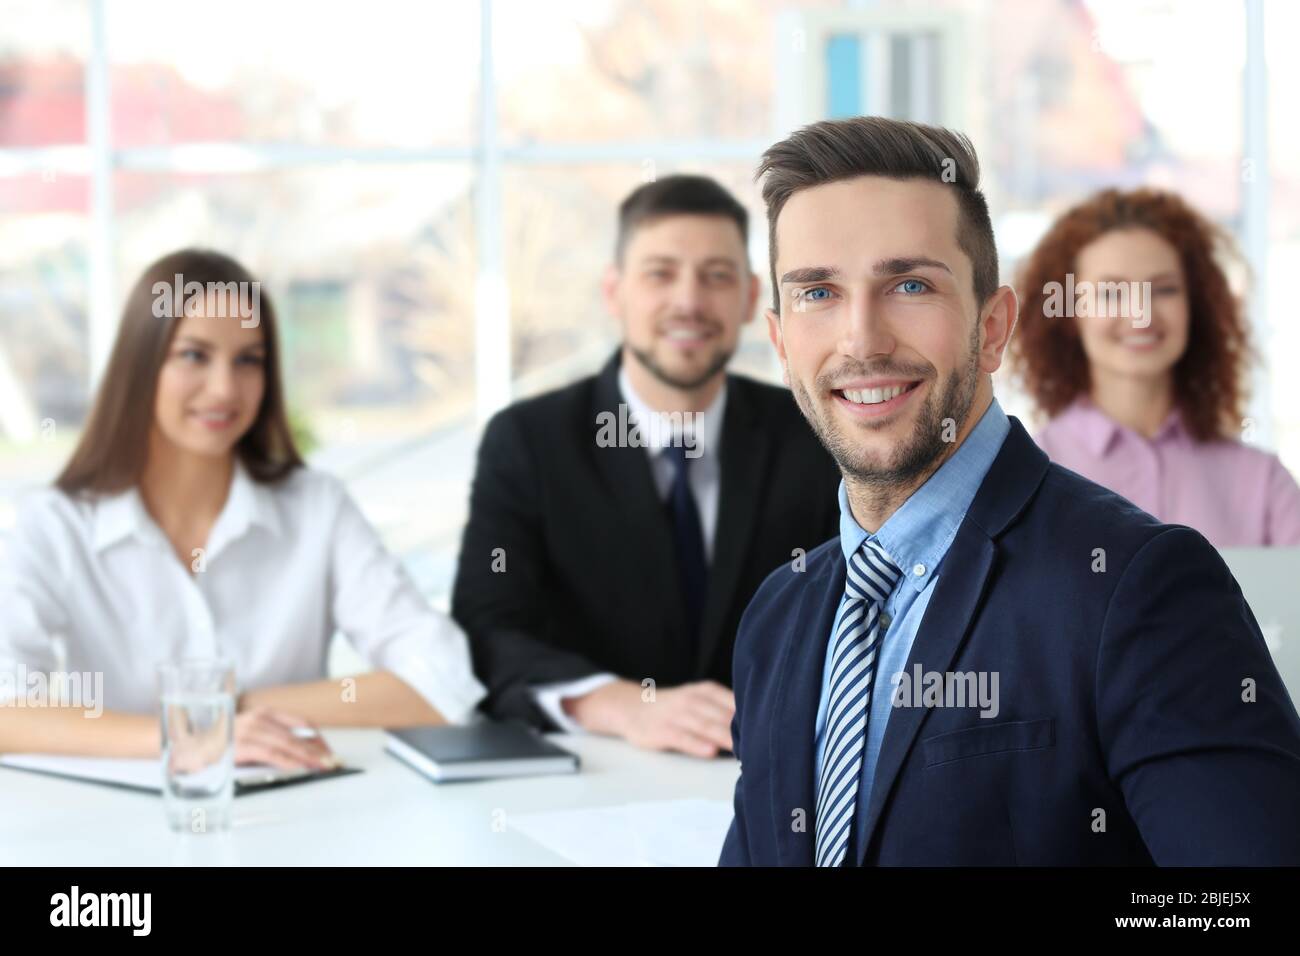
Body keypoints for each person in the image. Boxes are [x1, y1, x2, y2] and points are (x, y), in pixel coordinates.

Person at [719, 117, 1300, 866]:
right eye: (818, 292)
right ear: (779, 340)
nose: (861, 340)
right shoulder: (777, 616)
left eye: (910, 285)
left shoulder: (1140, 587)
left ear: (992, 328)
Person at [0, 250, 485, 768]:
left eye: (248, 360)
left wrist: (229, 709)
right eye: (194, 355)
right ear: (141, 363)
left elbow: (443, 678)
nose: (225, 389)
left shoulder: (316, 508)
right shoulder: (56, 524)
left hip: (294, 805)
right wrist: (180, 737)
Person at [452, 174, 839, 757]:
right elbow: (486, 629)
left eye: (716, 276)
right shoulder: (529, 442)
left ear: (751, 298)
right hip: (596, 771)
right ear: (615, 294)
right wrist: (619, 705)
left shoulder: (814, 434)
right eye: (660, 274)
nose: (689, 302)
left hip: (778, 767)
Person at [1009, 187, 1300, 547]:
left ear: (1196, 307)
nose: (1141, 315)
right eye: (1111, 293)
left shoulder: (1263, 484)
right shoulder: (1025, 477)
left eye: (1164, 290)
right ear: (1070, 315)